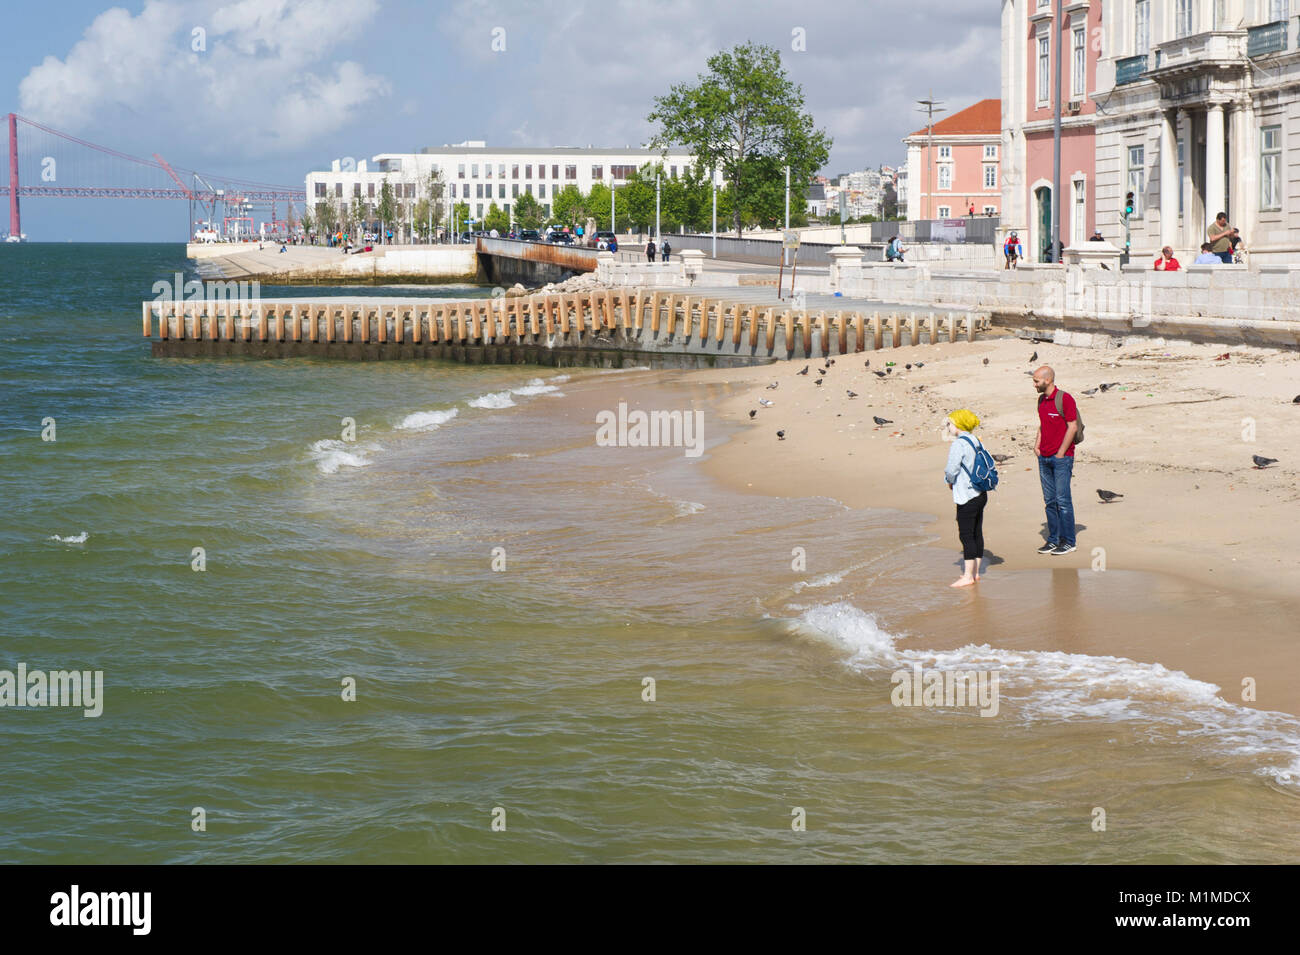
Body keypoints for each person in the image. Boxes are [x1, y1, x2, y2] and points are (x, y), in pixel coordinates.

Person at [1032, 365, 1079, 556]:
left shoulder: (1065, 399)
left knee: (1063, 501)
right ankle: (1054, 539)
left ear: (1047, 380)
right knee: (1049, 501)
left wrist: (1060, 452)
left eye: (1036, 381)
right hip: (1043, 458)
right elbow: (1042, 425)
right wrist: (1036, 445)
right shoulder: (1041, 400)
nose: (1034, 384)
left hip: (1061, 459)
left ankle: (1069, 541)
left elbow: (1073, 427)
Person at [943, 409, 988, 588]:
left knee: (966, 535)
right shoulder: (976, 440)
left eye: (950, 423)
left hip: (967, 495)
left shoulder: (958, 444)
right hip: (981, 493)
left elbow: (951, 470)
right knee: (977, 532)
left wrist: (948, 480)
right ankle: (975, 572)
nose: (948, 427)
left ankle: (968, 576)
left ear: (958, 425)